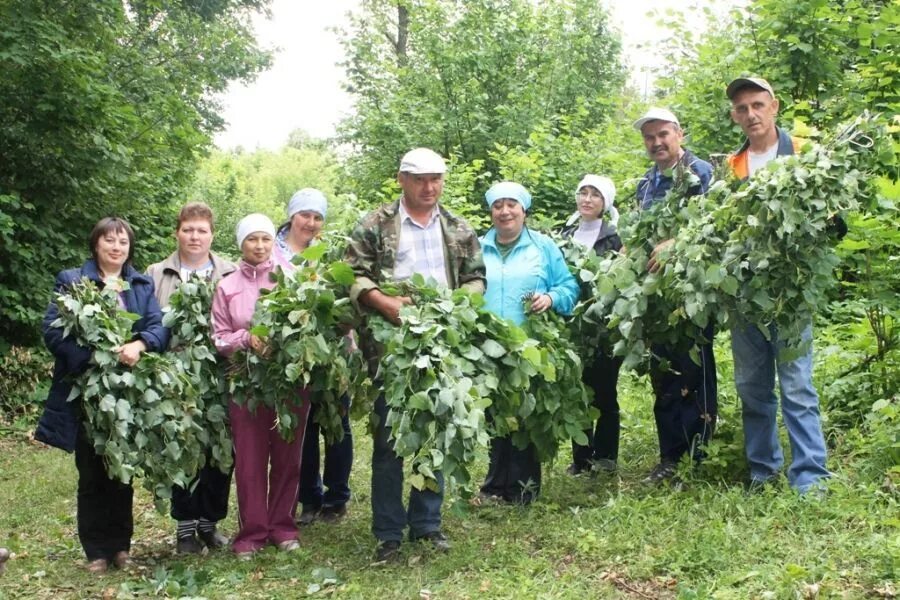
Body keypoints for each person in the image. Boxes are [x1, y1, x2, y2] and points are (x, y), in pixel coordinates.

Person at [345, 147, 486, 562]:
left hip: (442, 342)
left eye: (436, 178)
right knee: (391, 436)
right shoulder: (375, 224)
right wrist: (384, 303)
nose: (430, 187)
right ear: (401, 179)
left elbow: (476, 278)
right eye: (421, 179)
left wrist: (456, 304)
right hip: (390, 345)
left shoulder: (458, 228)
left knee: (435, 429)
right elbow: (353, 274)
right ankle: (388, 530)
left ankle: (427, 523)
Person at [36, 217, 170, 574]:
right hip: (86, 392)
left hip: (126, 393)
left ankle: (121, 547)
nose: (116, 247)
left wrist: (140, 344)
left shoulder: (140, 284)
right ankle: (96, 550)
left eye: (122, 241)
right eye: (108, 240)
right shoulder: (72, 282)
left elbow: (158, 328)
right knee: (92, 472)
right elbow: (53, 331)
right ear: (95, 244)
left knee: (121, 472)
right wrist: (94, 358)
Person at [725, 77, 831, 493]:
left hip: (790, 292)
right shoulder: (731, 167)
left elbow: (829, 218)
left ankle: (810, 478)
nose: (750, 114)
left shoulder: (805, 154)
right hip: (744, 294)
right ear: (735, 116)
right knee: (752, 387)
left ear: (774, 106)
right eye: (741, 109)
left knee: (797, 385)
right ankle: (762, 472)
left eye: (757, 105)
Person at [211, 213, 309, 558]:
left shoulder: (291, 279)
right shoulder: (227, 286)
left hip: (287, 384)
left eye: (266, 239)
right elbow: (219, 338)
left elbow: (306, 327)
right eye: (252, 239)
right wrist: (246, 338)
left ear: (273, 242)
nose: (260, 245)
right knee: (250, 460)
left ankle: (283, 527)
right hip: (246, 384)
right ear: (241, 244)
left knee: (288, 456)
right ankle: (251, 534)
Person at [478, 181, 580, 503]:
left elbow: (569, 287)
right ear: (491, 211)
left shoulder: (543, 247)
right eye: (498, 205)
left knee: (526, 414)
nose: (504, 211)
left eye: (512, 205)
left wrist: (550, 298)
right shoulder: (477, 247)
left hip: (531, 345)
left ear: (524, 210)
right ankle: (495, 486)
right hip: (488, 345)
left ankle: (524, 489)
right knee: (495, 416)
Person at [633, 107, 718, 485]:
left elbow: (716, 225)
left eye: (663, 134)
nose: (657, 142)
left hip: (692, 295)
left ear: (679, 133)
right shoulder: (646, 184)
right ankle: (669, 456)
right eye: (650, 137)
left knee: (694, 371)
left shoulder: (701, 174)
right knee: (663, 374)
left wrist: (678, 243)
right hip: (657, 297)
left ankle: (699, 454)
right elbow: (640, 233)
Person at [146, 202, 236, 555]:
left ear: (212, 234)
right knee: (182, 449)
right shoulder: (156, 273)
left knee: (220, 449)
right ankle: (185, 528)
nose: (194, 236)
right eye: (188, 229)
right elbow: (146, 324)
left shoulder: (229, 272)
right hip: (174, 376)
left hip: (219, 374)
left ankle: (209, 524)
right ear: (177, 233)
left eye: (201, 230)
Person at [272, 188, 354, 525]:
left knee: (336, 424)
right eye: (305, 215)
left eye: (318, 217)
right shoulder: (271, 250)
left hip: (332, 349)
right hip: (290, 353)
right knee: (301, 425)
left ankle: (337, 497)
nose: (311, 222)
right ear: (292, 215)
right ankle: (308, 497)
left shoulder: (331, 253)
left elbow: (345, 296)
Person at [560, 175, 624, 475]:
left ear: (605, 202)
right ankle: (581, 458)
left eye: (594, 195)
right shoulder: (565, 233)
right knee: (578, 391)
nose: (586, 199)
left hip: (604, 325)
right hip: (573, 325)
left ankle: (607, 455)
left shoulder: (614, 236)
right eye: (582, 193)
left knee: (605, 390)